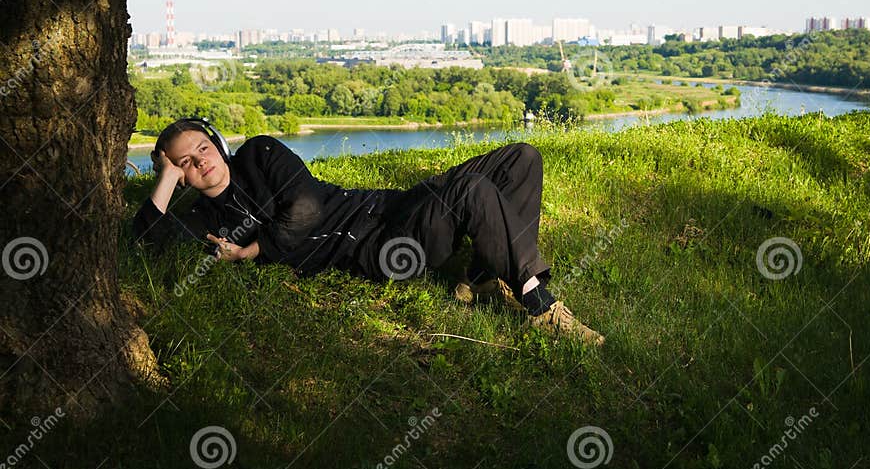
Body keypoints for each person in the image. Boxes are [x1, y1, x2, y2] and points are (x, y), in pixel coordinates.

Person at [133, 117, 605, 345]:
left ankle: (483, 277)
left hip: (389, 205)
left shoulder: (258, 154)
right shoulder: (203, 219)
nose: (201, 162)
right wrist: (166, 179)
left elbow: (304, 207)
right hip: (381, 248)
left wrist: (254, 249)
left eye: (202, 148)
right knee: (473, 190)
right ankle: (537, 302)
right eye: (186, 164)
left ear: (217, 142)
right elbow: (146, 246)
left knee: (521, 159)